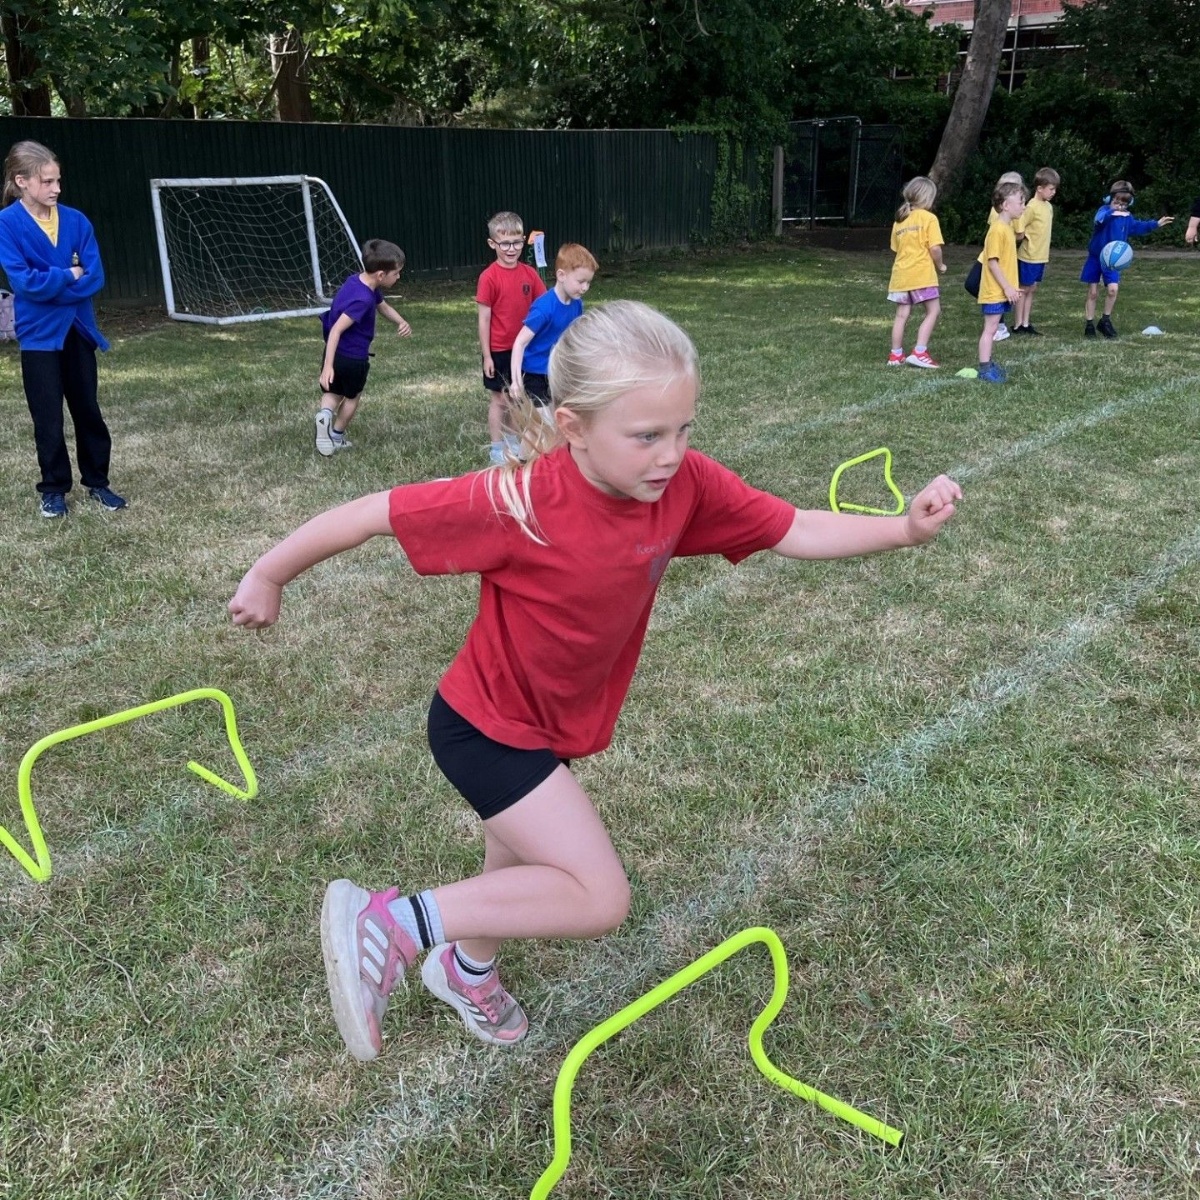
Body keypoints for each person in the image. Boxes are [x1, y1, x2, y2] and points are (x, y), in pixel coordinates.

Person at [228, 300, 963, 1062]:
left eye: (684, 430)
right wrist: (269, 573)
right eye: (646, 435)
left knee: (511, 858)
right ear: (575, 426)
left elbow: (794, 527)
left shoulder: (683, 486)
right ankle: (391, 924)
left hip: (553, 728)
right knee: (597, 895)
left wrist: (903, 530)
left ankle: (466, 968)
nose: (670, 454)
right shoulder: (518, 501)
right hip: (484, 728)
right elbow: (374, 513)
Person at [0, 139, 125, 518]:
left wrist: (52, 284)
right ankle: (53, 489)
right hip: (38, 336)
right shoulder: (6, 225)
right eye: (47, 181)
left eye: (58, 180)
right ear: (22, 181)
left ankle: (98, 483)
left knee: (88, 409)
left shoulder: (76, 221)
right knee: (47, 416)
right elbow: (23, 284)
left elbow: (95, 277)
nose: (56, 188)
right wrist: (68, 275)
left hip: (78, 330)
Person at [315, 239, 410, 456]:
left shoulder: (356, 281)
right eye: (396, 273)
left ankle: (325, 416)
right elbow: (337, 329)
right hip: (353, 358)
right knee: (352, 397)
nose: (398, 277)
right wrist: (328, 367)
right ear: (380, 275)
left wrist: (400, 321)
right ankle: (337, 436)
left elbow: (383, 306)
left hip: (335, 352)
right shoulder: (363, 299)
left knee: (332, 392)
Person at [476, 211, 546, 464]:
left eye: (517, 242)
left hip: (525, 349)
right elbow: (484, 318)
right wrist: (487, 356)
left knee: (517, 399)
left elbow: (543, 306)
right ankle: (496, 447)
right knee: (499, 398)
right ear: (492, 243)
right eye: (505, 243)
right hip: (498, 349)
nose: (511, 248)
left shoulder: (530, 274)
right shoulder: (488, 277)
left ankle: (514, 442)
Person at [1081, 180, 1174, 339]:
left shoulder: (1127, 217)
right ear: (1110, 198)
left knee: (1113, 290)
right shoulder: (1104, 211)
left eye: (1124, 202)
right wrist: (1111, 211)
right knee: (1093, 292)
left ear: (1130, 202)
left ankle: (1105, 321)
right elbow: (1098, 220)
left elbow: (1138, 227)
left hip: (1113, 260)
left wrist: (1156, 224)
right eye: (1117, 200)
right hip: (1096, 257)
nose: (1120, 205)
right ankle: (1089, 324)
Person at [509, 242, 597, 404]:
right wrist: (515, 381)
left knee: (558, 417)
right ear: (561, 275)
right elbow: (520, 343)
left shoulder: (577, 304)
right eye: (581, 281)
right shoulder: (544, 309)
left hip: (559, 371)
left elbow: (574, 339)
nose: (585, 288)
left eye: (588, 282)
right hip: (535, 373)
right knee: (541, 423)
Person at [885, 176, 947, 368]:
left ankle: (895, 356)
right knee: (933, 311)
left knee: (901, 316)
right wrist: (941, 265)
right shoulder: (929, 218)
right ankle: (920, 352)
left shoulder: (899, 221)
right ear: (928, 197)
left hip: (901, 276)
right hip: (921, 275)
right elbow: (935, 248)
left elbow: (895, 249)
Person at [964, 171, 1025, 343]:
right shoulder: (997, 220)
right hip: (989, 257)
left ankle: (999, 322)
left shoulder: (1015, 215)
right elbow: (993, 242)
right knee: (972, 284)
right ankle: (996, 318)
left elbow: (1019, 234)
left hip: (997, 257)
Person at [976, 180, 1025, 384]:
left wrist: (1013, 287)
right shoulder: (997, 230)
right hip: (994, 291)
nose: (1024, 206)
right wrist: (1006, 287)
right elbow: (993, 263)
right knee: (990, 329)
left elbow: (1005, 263)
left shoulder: (1007, 228)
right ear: (1006, 205)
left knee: (994, 328)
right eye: (1021, 202)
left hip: (1002, 290)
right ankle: (984, 368)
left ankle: (988, 363)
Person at [1012, 167, 1060, 336]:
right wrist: (1021, 235)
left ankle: (1026, 322)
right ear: (1039, 188)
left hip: (1041, 257)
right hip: (1028, 256)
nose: (1053, 192)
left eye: (1055, 189)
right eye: (1051, 189)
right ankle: (1018, 324)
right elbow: (1018, 224)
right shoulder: (1031, 206)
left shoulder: (1048, 207)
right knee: (1023, 289)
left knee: (1032, 289)